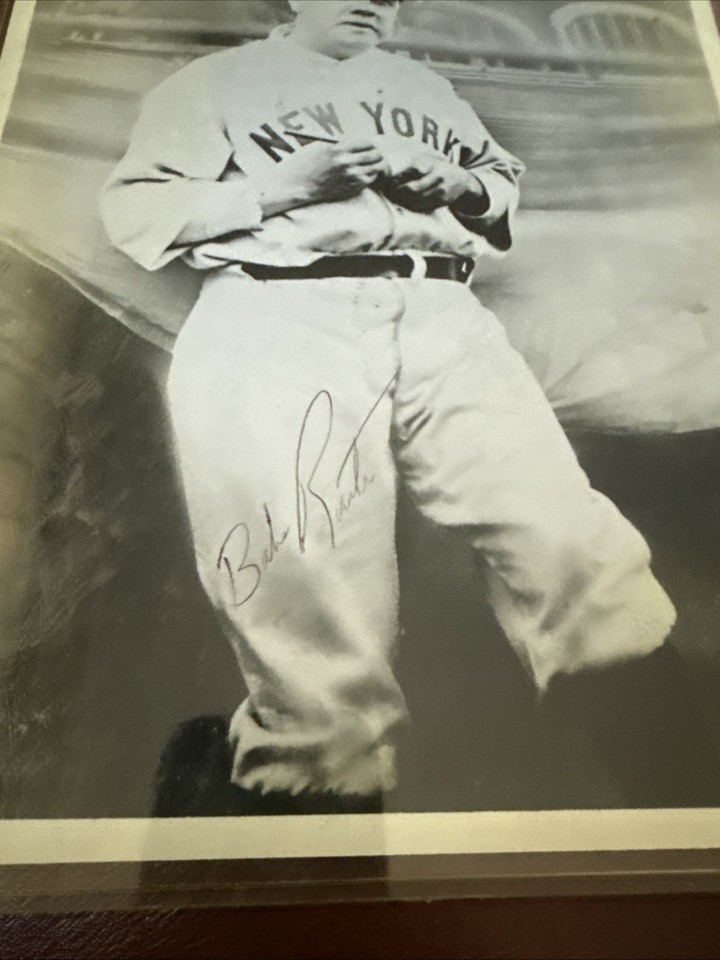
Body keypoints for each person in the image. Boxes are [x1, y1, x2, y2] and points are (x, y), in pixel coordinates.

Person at [100, 0, 709, 816]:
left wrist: (463, 186)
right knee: (310, 597)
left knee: (565, 541)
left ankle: (687, 794)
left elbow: (497, 185)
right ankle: (317, 845)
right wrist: (286, 187)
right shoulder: (213, 83)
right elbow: (135, 210)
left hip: (440, 309)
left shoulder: (422, 84)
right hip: (281, 313)